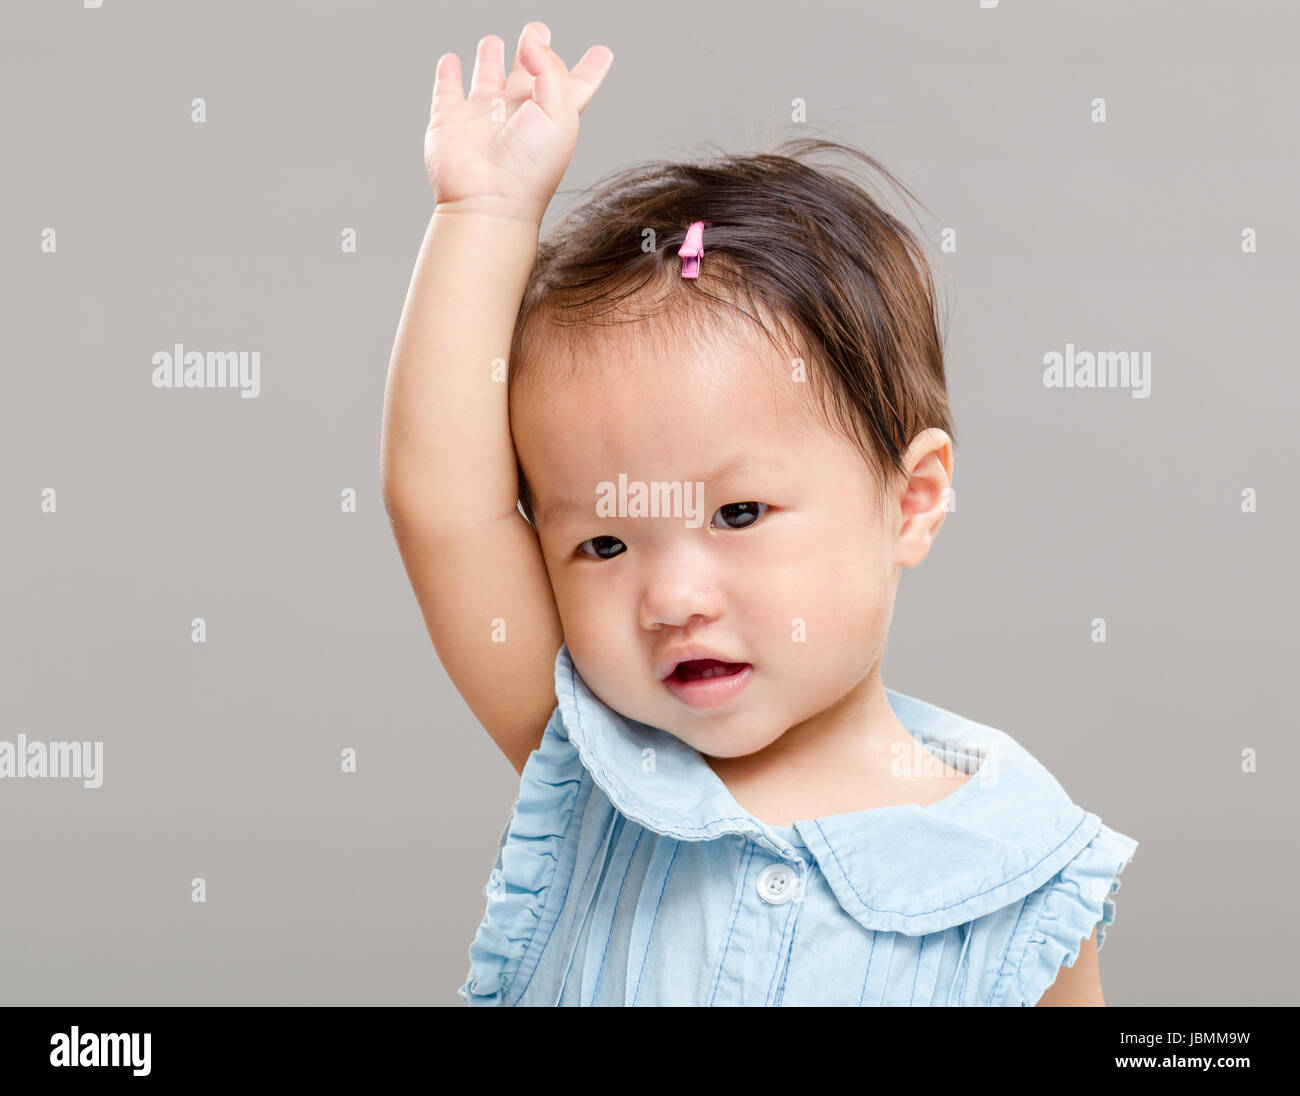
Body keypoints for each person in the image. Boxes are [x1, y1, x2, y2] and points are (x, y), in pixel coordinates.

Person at [381, 20, 1137, 1006]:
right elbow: (440, 502)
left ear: (911, 501)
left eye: (737, 513)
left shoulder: (1015, 873)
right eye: (602, 542)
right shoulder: (598, 769)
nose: (671, 596)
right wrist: (483, 207)